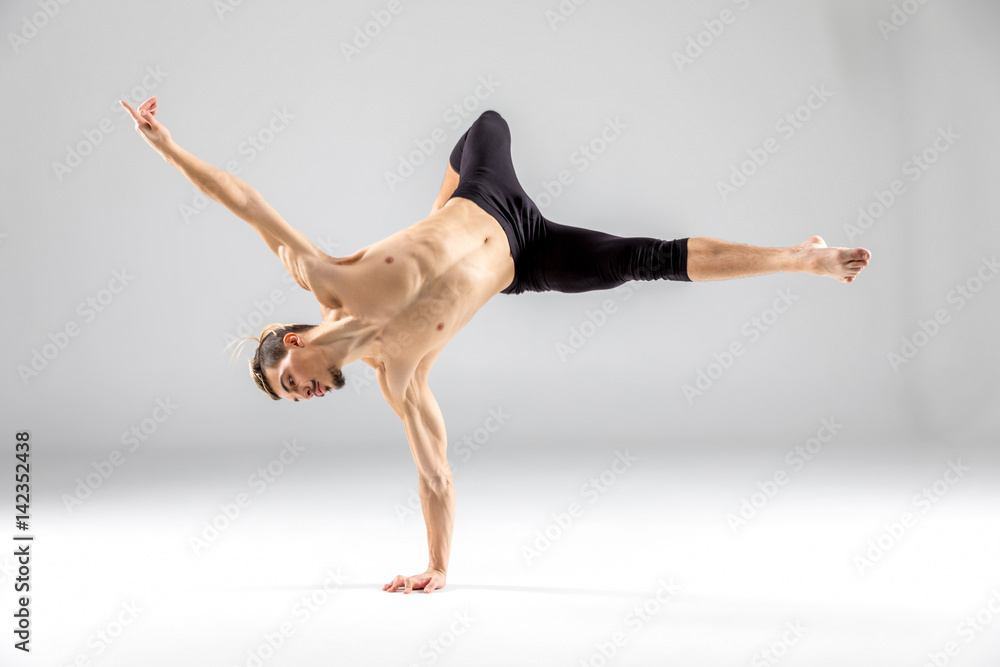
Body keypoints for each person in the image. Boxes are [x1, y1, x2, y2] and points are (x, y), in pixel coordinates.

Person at [120, 97, 871, 594]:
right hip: (527, 253)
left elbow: (242, 201)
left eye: (290, 383)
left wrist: (165, 145)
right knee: (640, 259)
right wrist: (438, 566)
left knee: (487, 118)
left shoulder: (326, 273)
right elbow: (436, 475)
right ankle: (801, 256)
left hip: (483, 192)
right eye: (299, 400)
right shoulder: (401, 378)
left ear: (290, 342)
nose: (307, 395)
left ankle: (443, 209)